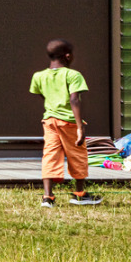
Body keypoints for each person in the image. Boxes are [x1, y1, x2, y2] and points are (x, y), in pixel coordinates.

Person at [30, 38, 101, 208]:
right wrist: (80, 127)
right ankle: (79, 194)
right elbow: (74, 99)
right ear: (68, 56)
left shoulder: (38, 76)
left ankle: (48, 197)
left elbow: (42, 95)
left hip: (49, 121)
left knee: (50, 155)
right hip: (69, 122)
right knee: (78, 155)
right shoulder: (73, 75)